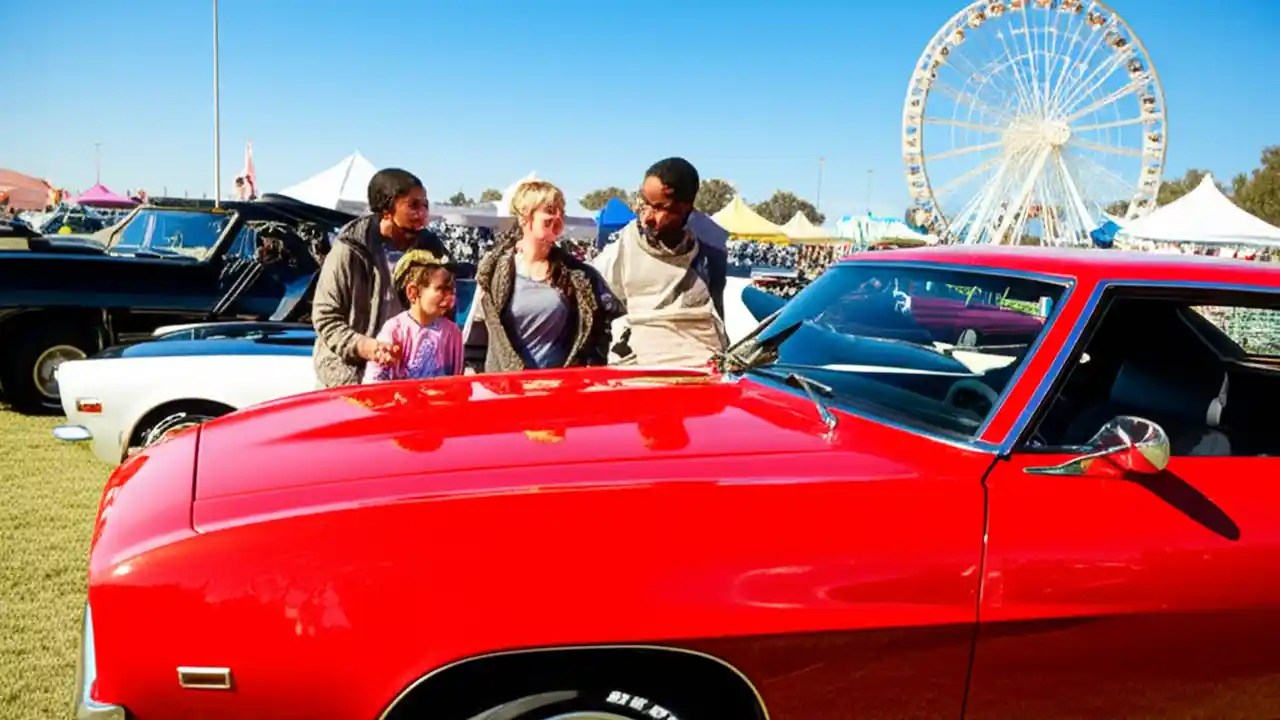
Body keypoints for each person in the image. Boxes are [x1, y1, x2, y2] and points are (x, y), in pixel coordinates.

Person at [463, 179, 621, 373]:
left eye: (561, 211)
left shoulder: (576, 274)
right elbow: (478, 328)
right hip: (505, 386)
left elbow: (609, 316)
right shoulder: (494, 268)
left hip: (558, 389)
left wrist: (593, 362)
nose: (557, 217)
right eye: (549, 210)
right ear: (524, 216)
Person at [312, 168, 448, 388]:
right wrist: (367, 347)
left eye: (425, 205)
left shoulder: (433, 250)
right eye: (413, 205)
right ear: (386, 211)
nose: (422, 214)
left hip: (406, 382)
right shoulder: (350, 250)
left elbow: (445, 310)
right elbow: (325, 317)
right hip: (348, 380)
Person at [592, 157, 728, 367]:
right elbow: (591, 299)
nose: (647, 217)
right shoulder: (624, 244)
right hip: (636, 368)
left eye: (658, 207)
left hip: (697, 368)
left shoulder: (708, 251)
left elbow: (715, 317)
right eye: (644, 203)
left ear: (685, 208)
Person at [362, 249, 464, 383]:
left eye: (452, 290)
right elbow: (373, 382)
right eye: (442, 289)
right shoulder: (395, 331)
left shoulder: (453, 333)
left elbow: (457, 382)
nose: (450, 297)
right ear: (413, 293)